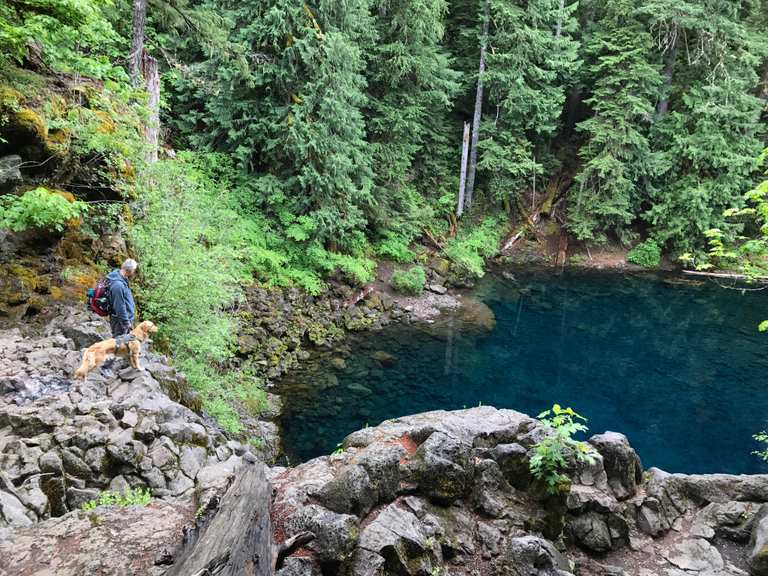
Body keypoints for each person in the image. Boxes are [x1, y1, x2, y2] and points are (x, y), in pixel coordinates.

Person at [107, 259, 137, 337]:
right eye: (134, 270)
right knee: (118, 343)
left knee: (123, 344)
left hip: (124, 319)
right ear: (130, 270)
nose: (134, 271)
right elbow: (119, 306)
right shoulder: (118, 285)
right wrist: (126, 323)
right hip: (120, 322)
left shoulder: (122, 277)